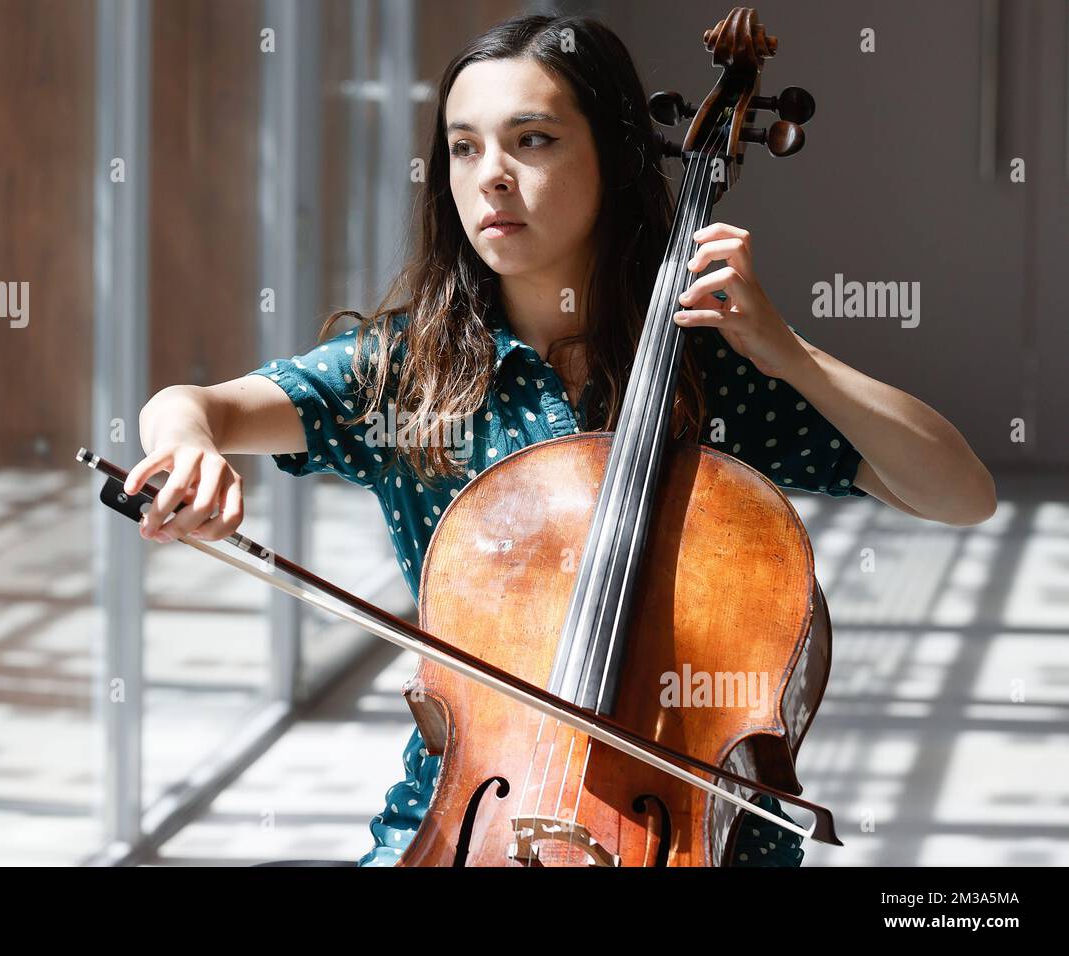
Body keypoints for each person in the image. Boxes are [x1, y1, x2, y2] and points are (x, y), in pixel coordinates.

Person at [126, 13, 996, 867]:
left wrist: (790, 352)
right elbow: (196, 405)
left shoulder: (711, 376)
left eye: (531, 140)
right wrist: (190, 445)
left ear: (615, 162)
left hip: (684, 830)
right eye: (465, 148)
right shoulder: (408, 373)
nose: (490, 178)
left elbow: (960, 492)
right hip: (473, 812)